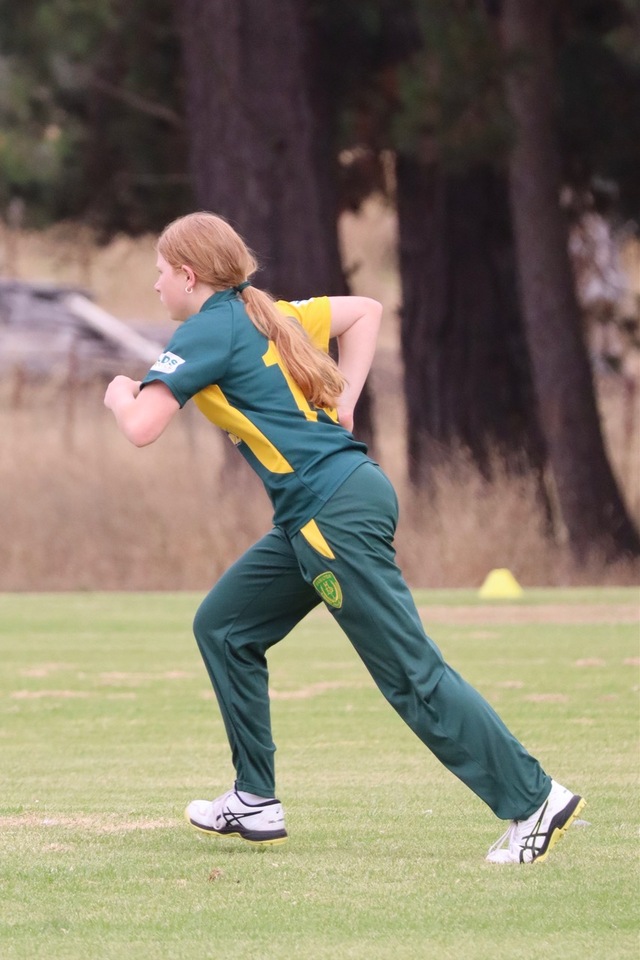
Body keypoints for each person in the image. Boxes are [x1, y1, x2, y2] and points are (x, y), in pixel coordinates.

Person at [104, 211, 585, 864]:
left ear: (188, 276)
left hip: (329, 515)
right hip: (329, 505)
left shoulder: (207, 330)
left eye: (161, 272)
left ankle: (534, 801)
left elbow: (140, 427)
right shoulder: (262, 313)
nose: (156, 284)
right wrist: (349, 399)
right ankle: (255, 799)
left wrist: (118, 393)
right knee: (225, 625)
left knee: (410, 675)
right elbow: (367, 312)